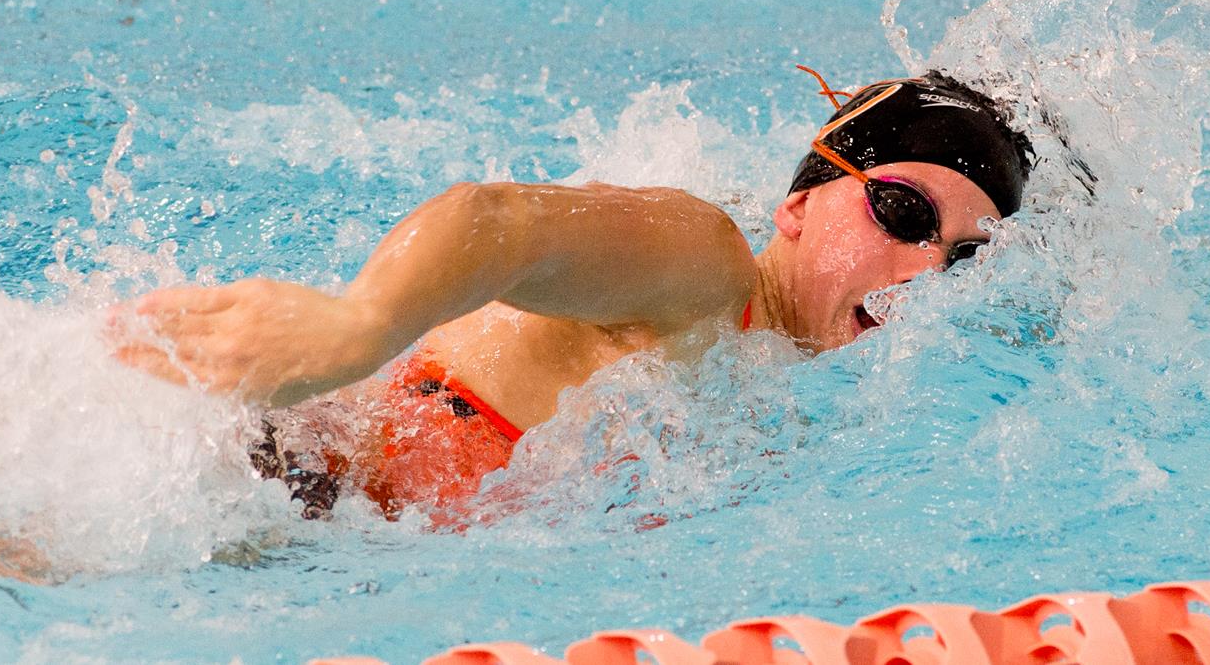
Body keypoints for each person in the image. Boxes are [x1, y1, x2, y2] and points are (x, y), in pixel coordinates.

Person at [115, 70, 1035, 520]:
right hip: (257, 476)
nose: (924, 272)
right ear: (798, 203)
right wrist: (356, 327)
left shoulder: (793, 384)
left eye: (963, 259)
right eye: (903, 212)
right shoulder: (706, 267)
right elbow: (503, 221)